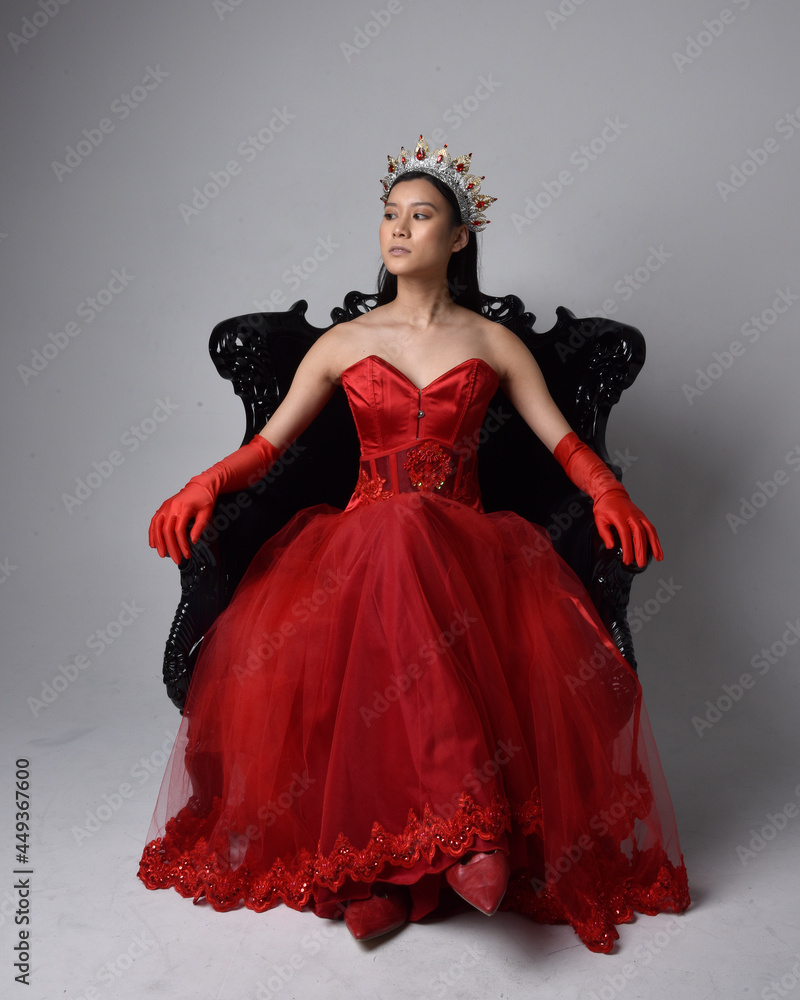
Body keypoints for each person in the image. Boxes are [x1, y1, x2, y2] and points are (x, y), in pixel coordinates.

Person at [139, 136, 690, 953]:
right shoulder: (342, 343)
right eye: (390, 215)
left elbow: (565, 443)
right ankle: (429, 854)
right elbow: (267, 447)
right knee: (394, 531)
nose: (398, 229)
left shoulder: (493, 343)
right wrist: (203, 484)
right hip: (357, 551)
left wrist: (608, 491)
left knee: (413, 537)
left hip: (469, 552)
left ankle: (390, 877)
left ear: (458, 237)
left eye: (420, 215)